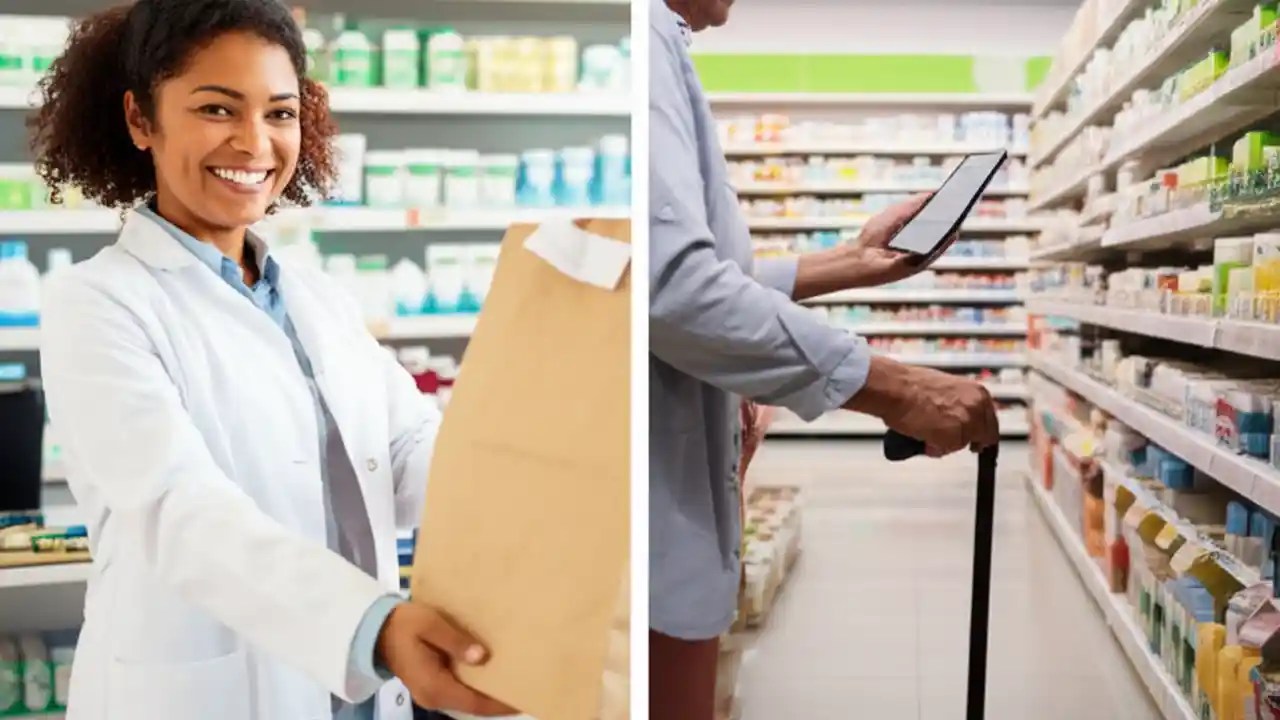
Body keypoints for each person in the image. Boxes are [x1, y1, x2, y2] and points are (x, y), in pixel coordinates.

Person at [29, 2, 518, 719]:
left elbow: (410, 452)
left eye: (280, 113)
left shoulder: (316, 297)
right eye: (218, 109)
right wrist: (373, 624)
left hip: (357, 692)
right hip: (215, 691)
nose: (255, 143)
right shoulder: (97, 303)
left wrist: (541, 473)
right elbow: (180, 509)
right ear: (141, 120)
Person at [649, 0, 1002, 716]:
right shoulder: (647, 35)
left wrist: (854, 260)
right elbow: (675, 287)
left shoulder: (665, 40)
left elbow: (705, 270)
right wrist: (899, 388)